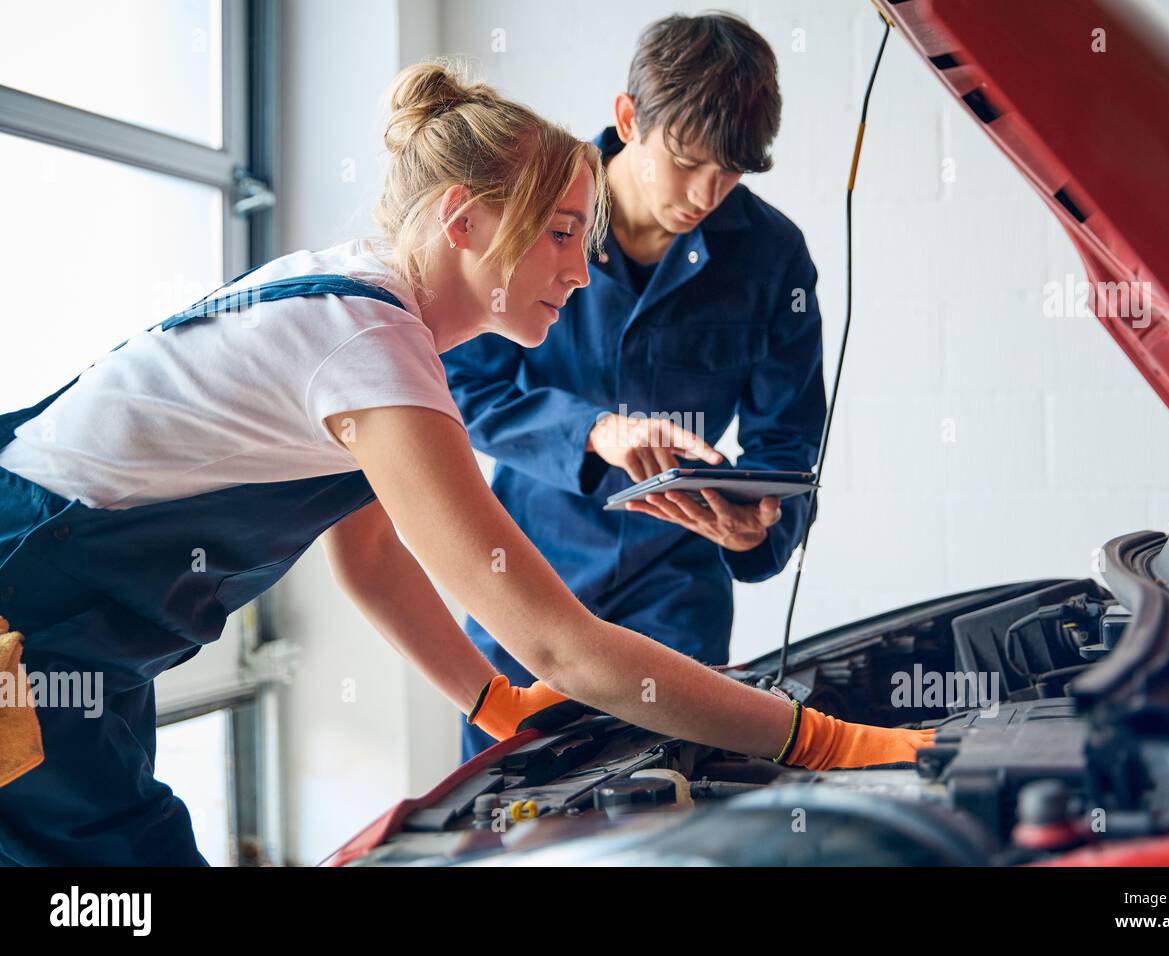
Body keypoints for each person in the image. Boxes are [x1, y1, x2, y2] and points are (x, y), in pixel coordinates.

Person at [0, 62, 933, 866]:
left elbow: (367, 555)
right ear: (462, 220)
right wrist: (826, 741)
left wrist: (488, 699)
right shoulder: (367, 342)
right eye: (562, 231)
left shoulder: (368, 316)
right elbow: (559, 645)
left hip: (86, 649)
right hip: (25, 628)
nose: (580, 267)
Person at [443, 13, 828, 761]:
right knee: (510, 816)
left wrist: (764, 529)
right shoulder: (526, 214)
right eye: (686, 162)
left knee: (671, 805)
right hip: (525, 574)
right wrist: (593, 432)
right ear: (628, 118)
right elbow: (463, 386)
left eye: (732, 171)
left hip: (677, 590)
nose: (707, 193)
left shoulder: (774, 258)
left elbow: (789, 442)